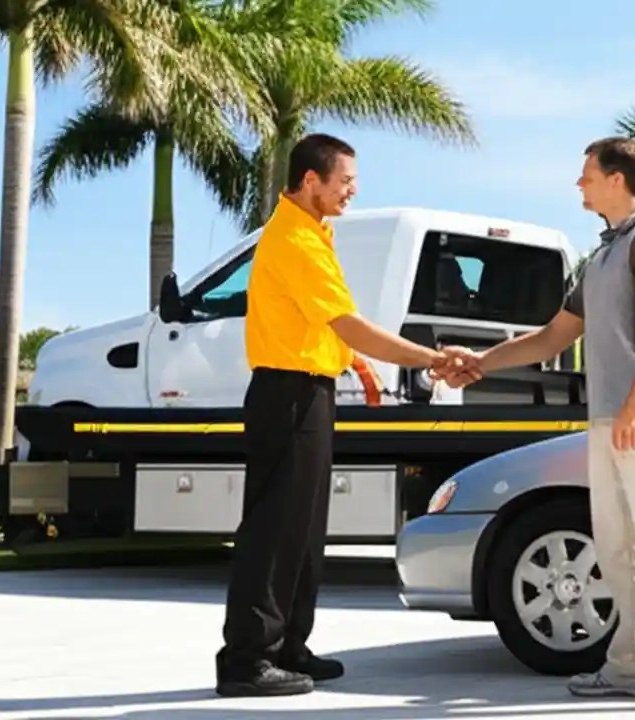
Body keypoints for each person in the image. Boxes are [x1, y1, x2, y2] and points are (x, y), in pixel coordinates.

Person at [438, 136, 635, 711]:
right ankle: (632, 666)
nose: (579, 184)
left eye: (587, 174)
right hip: (610, 420)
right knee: (620, 549)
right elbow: (554, 336)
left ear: (617, 179)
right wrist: (478, 363)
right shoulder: (601, 256)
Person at [215, 133, 452, 697]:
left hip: (309, 389)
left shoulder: (316, 234)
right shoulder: (295, 239)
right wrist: (431, 359)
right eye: (343, 181)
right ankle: (247, 659)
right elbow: (346, 321)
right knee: (274, 528)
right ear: (309, 181)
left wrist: (359, 367)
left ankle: (289, 645)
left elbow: (322, 326)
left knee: (305, 527)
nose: (353, 191)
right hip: (286, 395)